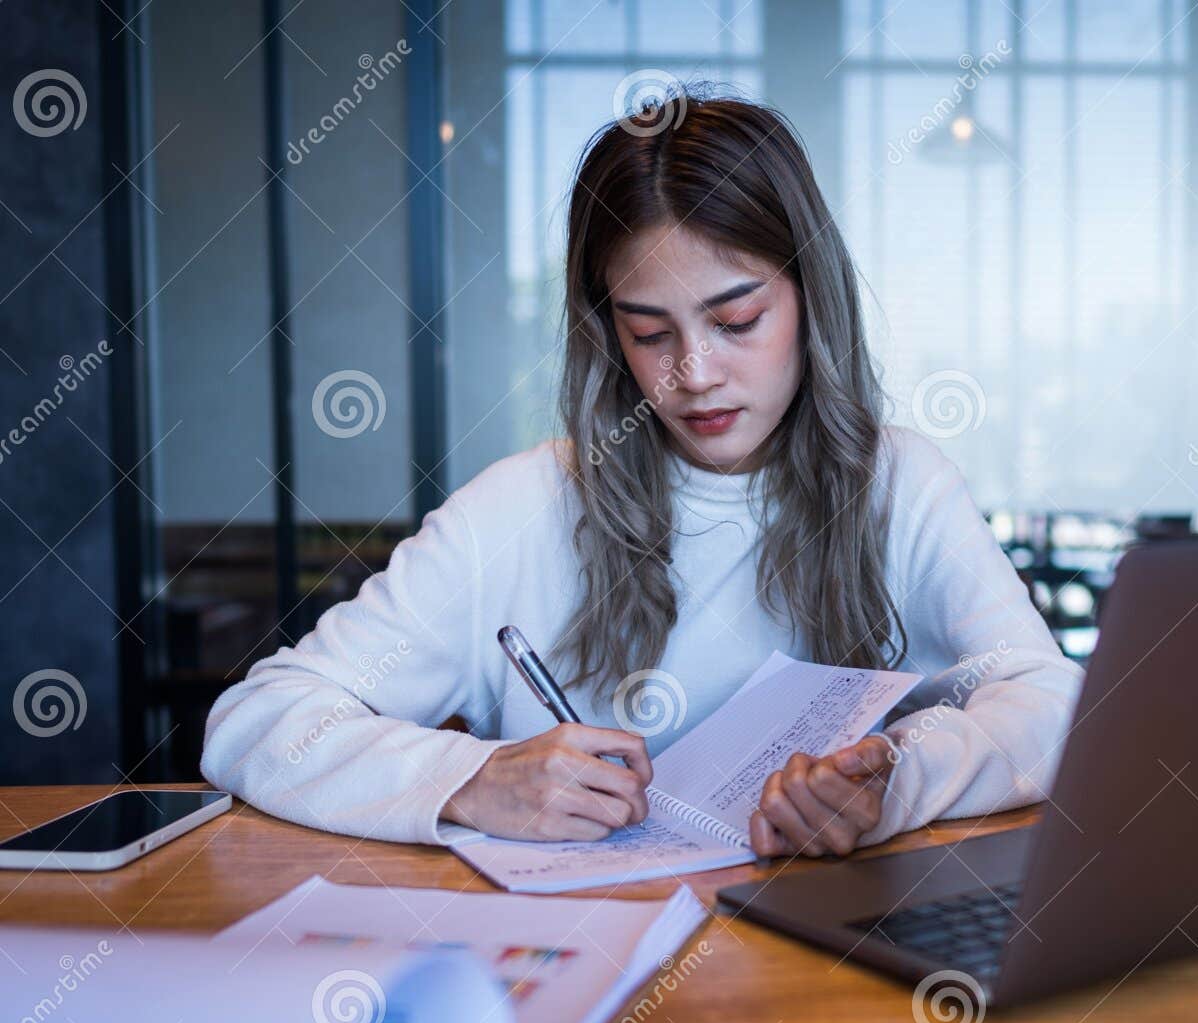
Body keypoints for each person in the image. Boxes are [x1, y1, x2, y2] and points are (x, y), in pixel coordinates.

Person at [201, 91, 1083, 858]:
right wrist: (471, 778)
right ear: (605, 331)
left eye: (737, 320)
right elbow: (260, 721)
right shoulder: (520, 510)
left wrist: (897, 780)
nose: (693, 372)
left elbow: (1051, 705)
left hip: (833, 982)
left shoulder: (901, 487)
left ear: (812, 297)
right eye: (650, 333)